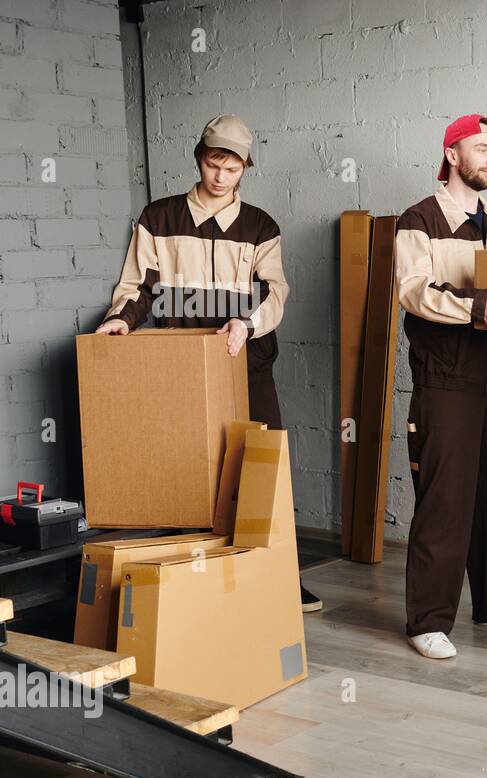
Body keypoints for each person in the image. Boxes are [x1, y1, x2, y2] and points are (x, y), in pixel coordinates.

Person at [96, 114, 321, 613]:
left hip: (247, 361)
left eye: (232, 168)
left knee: (264, 469)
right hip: (184, 366)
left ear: (246, 169)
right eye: (212, 163)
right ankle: (199, 578)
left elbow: (274, 291)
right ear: (199, 158)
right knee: (193, 471)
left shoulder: (261, 226)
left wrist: (246, 323)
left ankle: (284, 575)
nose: (220, 176)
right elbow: (140, 285)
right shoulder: (159, 217)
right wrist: (121, 322)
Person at [394, 113, 487, 661]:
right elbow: (414, 292)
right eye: (481, 148)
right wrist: (478, 305)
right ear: (452, 153)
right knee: (446, 500)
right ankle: (427, 619)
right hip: (447, 378)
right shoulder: (419, 218)